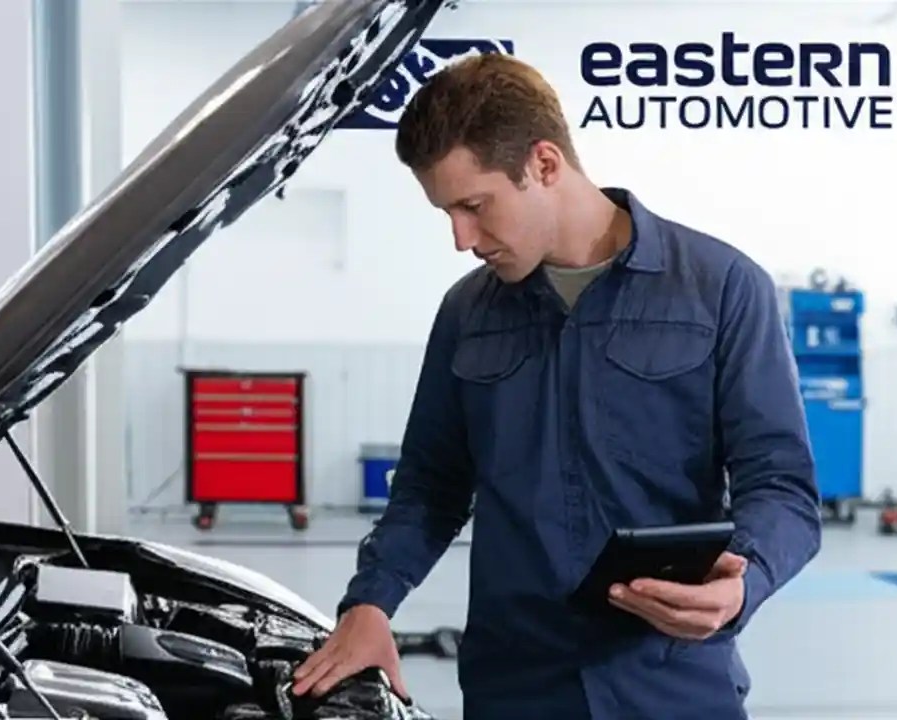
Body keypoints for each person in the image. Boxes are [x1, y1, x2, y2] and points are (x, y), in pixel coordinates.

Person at [291, 52, 821, 720]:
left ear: (544, 164)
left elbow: (781, 488)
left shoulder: (720, 289)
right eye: (446, 212)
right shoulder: (467, 314)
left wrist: (743, 582)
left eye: (474, 206)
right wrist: (370, 603)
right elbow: (430, 486)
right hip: (515, 688)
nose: (461, 238)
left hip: (671, 686)